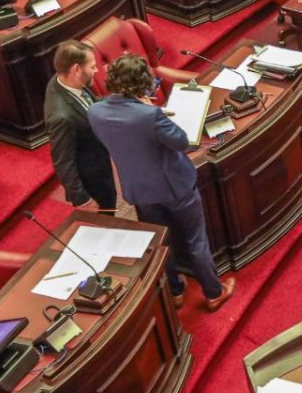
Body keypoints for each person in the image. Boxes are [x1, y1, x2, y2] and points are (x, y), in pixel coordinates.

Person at [85, 55, 230, 310]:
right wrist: (150, 111)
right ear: (142, 84)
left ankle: (175, 291)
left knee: (162, 242)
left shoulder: (94, 112)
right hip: (175, 187)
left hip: (138, 190)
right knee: (196, 240)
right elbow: (181, 142)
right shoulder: (150, 115)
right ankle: (213, 292)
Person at [43, 41, 115, 213]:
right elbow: (63, 163)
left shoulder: (63, 79)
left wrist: (119, 100)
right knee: (105, 222)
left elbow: (91, 104)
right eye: (92, 67)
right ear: (76, 69)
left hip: (100, 161)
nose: (96, 70)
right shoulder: (62, 117)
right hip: (92, 181)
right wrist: (83, 200)